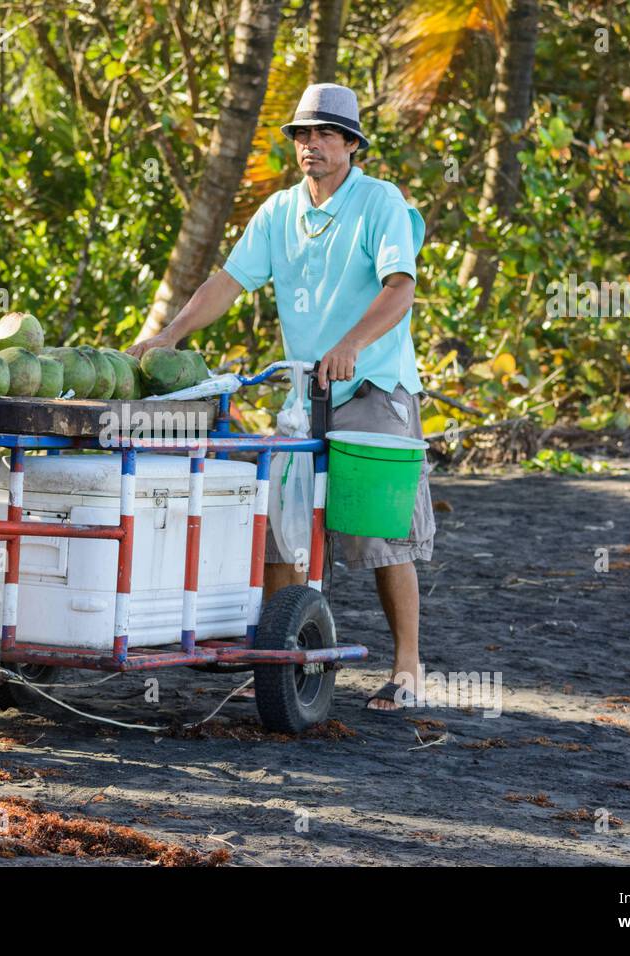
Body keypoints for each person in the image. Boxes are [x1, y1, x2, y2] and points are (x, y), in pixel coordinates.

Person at [128, 83, 434, 713]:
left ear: (351, 144)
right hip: (304, 393)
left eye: (325, 134)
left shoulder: (379, 202)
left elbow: (400, 289)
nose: (311, 145)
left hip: (373, 386)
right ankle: (281, 660)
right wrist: (168, 335)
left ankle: (408, 667)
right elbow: (228, 282)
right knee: (278, 524)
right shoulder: (278, 213)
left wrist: (351, 343)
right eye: (302, 135)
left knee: (381, 535)